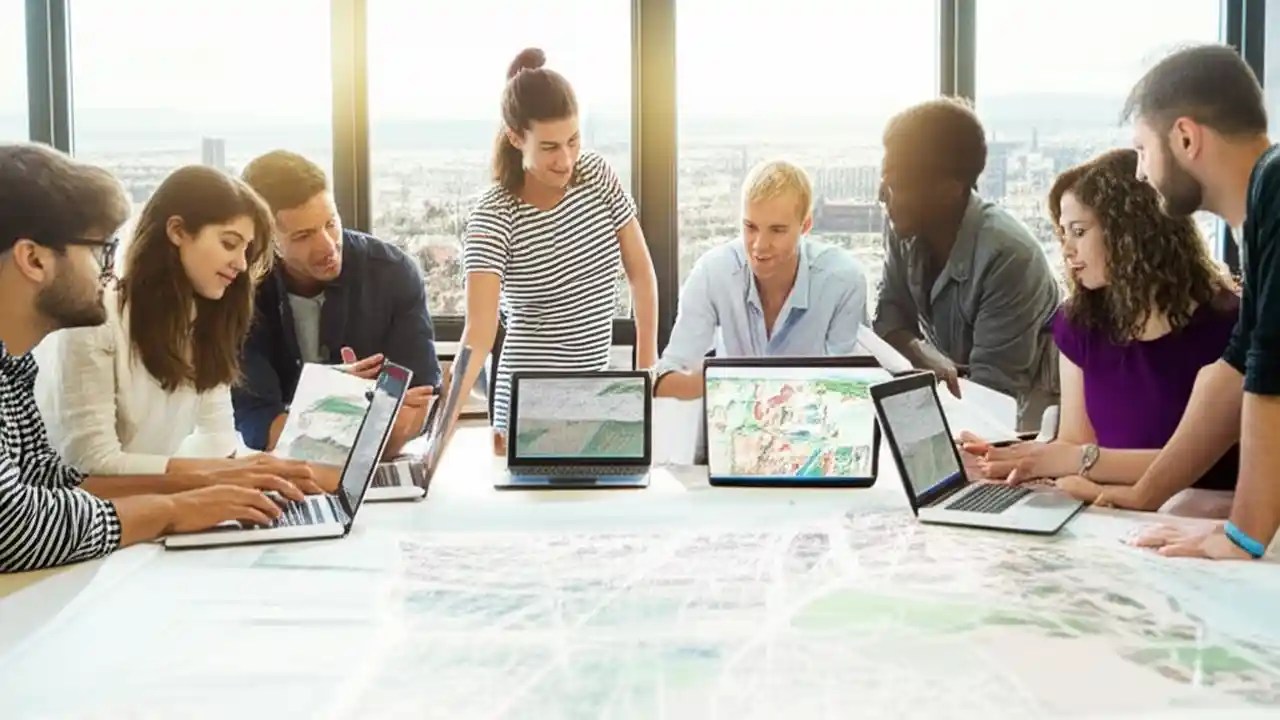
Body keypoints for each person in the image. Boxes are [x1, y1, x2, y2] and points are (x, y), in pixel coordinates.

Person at [0, 143, 293, 572]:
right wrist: (172, 508)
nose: (107, 268)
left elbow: (45, 478)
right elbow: (15, 527)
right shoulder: (98, 325)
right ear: (34, 259)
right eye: (99, 249)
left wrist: (211, 486)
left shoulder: (12, 365)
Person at [958, 149, 1240, 517]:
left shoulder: (1232, 327)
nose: (1067, 249)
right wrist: (1020, 465)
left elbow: (1200, 463)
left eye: (1079, 231)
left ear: (1130, 230)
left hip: (1200, 517)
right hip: (1112, 512)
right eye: (1062, 234)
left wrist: (1075, 465)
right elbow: (1076, 445)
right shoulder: (1078, 323)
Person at [32, 166, 328, 492]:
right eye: (229, 243)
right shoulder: (94, 320)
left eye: (246, 250)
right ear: (177, 231)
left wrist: (245, 473)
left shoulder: (207, 320)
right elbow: (89, 465)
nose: (241, 264)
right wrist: (224, 475)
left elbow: (218, 442)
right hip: (80, 525)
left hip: (151, 510)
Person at [1100, 45, 1280, 560]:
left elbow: (1271, 377)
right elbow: (1236, 368)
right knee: (1181, 510)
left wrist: (1240, 536)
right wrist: (1143, 495)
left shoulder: (1276, 185)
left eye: (1141, 149)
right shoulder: (1263, 201)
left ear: (1185, 137)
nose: (1139, 173)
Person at [452, 48, 659, 452]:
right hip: (525, 406)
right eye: (549, 147)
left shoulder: (597, 175)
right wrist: (441, 431)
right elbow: (479, 331)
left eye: (573, 140)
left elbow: (641, 275)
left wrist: (646, 371)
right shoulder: (495, 214)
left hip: (594, 394)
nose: (566, 160)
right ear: (516, 138)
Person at [235, 150, 441, 455]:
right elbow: (262, 428)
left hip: (373, 473)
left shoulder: (392, 273)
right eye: (303, 236)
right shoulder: (242, 294)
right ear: (265, 239)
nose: (328, 246)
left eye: (331, 223)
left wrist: (308, 421)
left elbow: (414, 413)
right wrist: (343, 403)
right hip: (284, 476)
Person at [873, 98, 1062, 431]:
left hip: (1030, 422)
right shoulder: (904, 225)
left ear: (947, 191)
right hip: (965, 401)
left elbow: (993, 394)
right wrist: (920, 350)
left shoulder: (1009, 256)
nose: (880, 196)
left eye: (893, 185)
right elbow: (889, 319)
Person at [654, 159, 867, 399]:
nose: (759, 246)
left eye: (777, 230)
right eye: (750, 227)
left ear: (805, 225)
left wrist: (737, 386)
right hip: (729, 426)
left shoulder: (844, 282)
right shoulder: (712, 273)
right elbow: (664, 382)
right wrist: (749, 387)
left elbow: (843, 390)